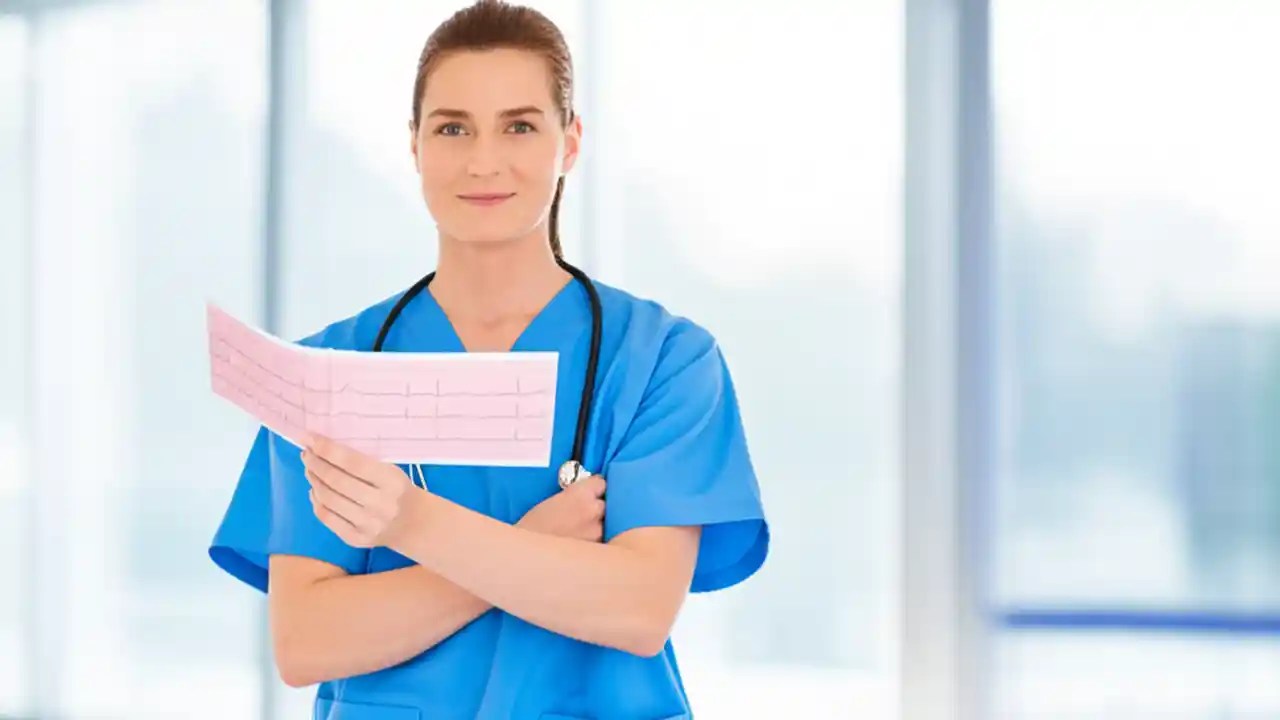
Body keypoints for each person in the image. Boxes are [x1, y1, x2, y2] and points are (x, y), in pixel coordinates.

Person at [209, 1, 769, 717]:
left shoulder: (663, 360)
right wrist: (530, 547)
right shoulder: (331, 367)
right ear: (414, 145)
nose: (482, 161)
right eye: (452, 128)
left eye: (520, 126)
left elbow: (636, 609)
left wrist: (408, 523)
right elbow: (308, 642)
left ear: (569, 142)